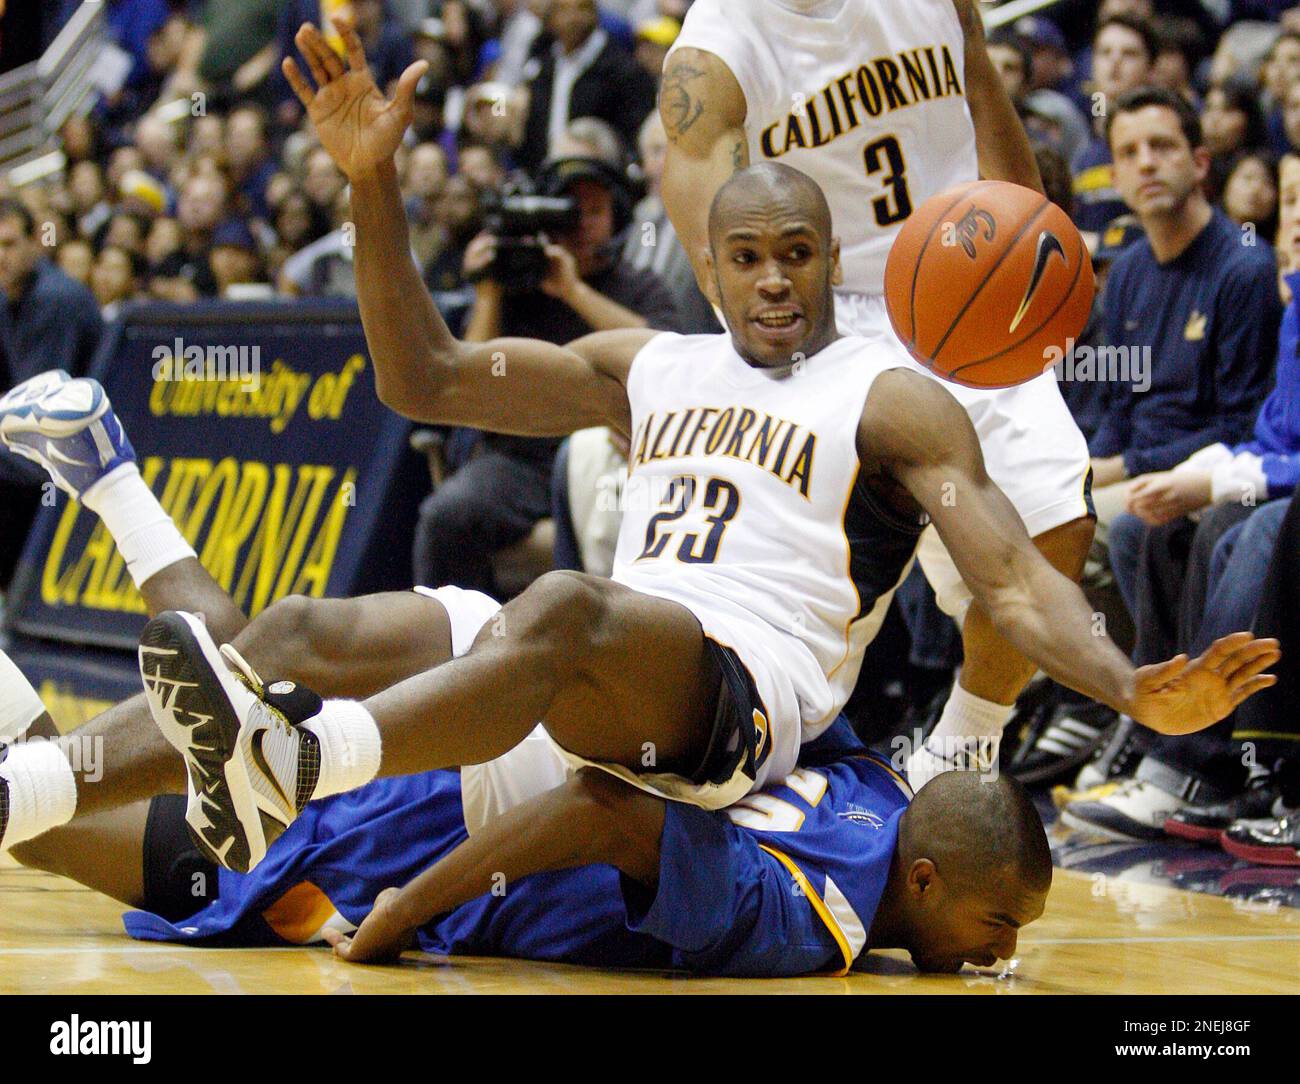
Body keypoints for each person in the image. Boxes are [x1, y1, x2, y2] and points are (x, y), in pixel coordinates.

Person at [3, 17, 1260, 887]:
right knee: (292, 634)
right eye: (746, 255)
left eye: (796, 256)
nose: (771, 279)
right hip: (577, 673)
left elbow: (1011, 577)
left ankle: (304, 760)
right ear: (710, 263)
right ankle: (34, 793)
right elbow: (421, 376)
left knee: (558, 604)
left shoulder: (890, 397)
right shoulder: (648, 366)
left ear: (833, 266)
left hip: (730, 700)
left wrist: (1125, 680)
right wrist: (370, 185)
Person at [657, 0, 1096, 790]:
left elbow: (990, 123)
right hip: (828, 317)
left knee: (1057, 520)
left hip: (966, 283)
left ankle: (964, 742)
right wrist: (775, 345)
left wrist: (1026, 221)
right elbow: (705, 234)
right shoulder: (719, 42)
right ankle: (738, 774)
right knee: (817, 610)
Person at [516, 0, 657, 170]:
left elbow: (636, 139)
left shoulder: (625, 72)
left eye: (582, 8)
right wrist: (501, 111)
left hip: (599, 178)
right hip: (543, 176)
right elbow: (501, 97)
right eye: (563, 10)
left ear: (595, 12)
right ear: (550, 16)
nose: (573, 18)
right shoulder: (541, 61)